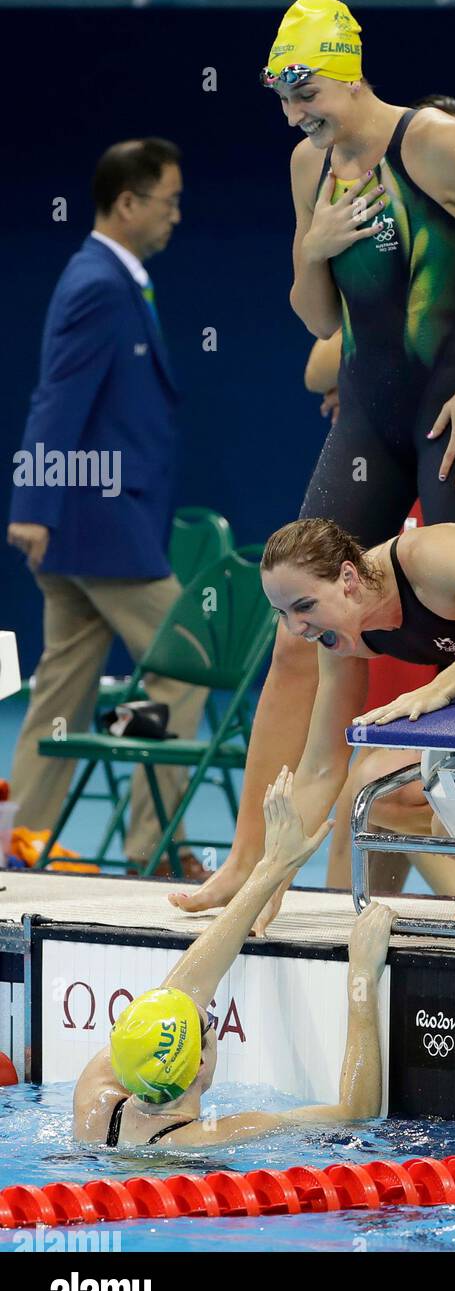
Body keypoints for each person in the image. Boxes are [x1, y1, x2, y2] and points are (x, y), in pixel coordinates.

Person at [187, 0, 455, 915]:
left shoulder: (437, 142)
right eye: (284, 100)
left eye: (309, 93)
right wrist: (310, 250)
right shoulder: (307, 165)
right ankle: (250, 861)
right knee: (298, 626)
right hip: (365, 419)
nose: (297, 115)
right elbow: (320, 319)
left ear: (351, 70)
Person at [171, 516, 455, 931]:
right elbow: (322, 766)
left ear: (347, 578)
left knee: (450, 814)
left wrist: (442, 688)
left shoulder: (426, 559)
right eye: (282, 613)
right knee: (385, 793)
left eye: (304, 606)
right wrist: (268, 885)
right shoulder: (342, 639)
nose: (296, 627)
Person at [6, 138, 208, 879]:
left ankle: (17, 843)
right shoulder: (100, 281)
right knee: (190, 661)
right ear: (128, 203)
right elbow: (57, 397)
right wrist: (34, 504)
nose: (177, 216)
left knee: (64, 688)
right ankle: (153, 847)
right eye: (169, 201)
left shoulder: (112, 279)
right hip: (101, 531)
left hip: (90, 530)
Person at [74, 766, 393, 1148]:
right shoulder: (218, 1135)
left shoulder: (93, 1103)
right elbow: (356, 1115)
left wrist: (273, 867)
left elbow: (185, 986)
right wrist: (362, 978)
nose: (201, 1004)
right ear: (202, 1066)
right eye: (208, 1022)